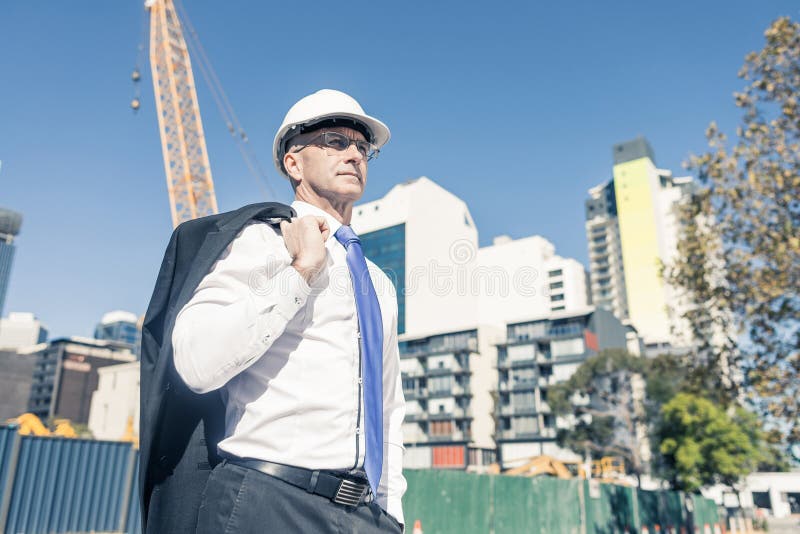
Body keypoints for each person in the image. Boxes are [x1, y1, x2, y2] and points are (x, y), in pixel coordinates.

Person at [143, 88, 406, 533]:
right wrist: (299, 272)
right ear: (293, 163)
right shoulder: (258, 243)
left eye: (363, 148)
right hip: (268, 502)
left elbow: (389, 405)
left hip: (365, 515)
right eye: (336, 141)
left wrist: (390, 511)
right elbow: (194, 363)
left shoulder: (378, 282)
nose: (355, 155)